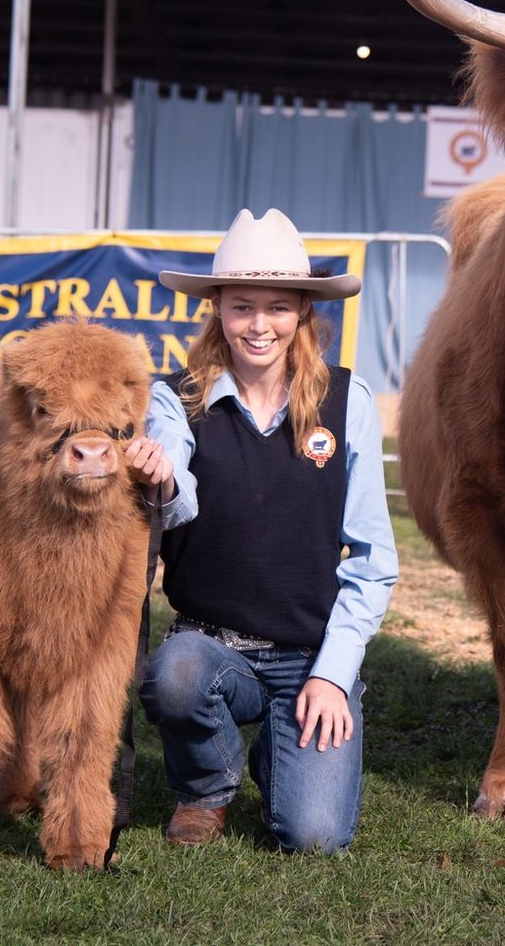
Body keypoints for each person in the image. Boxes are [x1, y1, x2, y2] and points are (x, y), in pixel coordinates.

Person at [123, 207, 398, 853]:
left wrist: (334, 673)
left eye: (277, 306)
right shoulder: (176, 399)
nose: (258, 324)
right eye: (242, 305)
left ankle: (285, 748)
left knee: (314, 835)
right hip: (211, 647)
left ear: (303, 311)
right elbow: (177, 487)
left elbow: (373, 559)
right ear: (216, 307)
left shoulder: (346, 401)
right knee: (175, 673)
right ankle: (206, 785)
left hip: (309, 656)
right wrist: (159, 477)